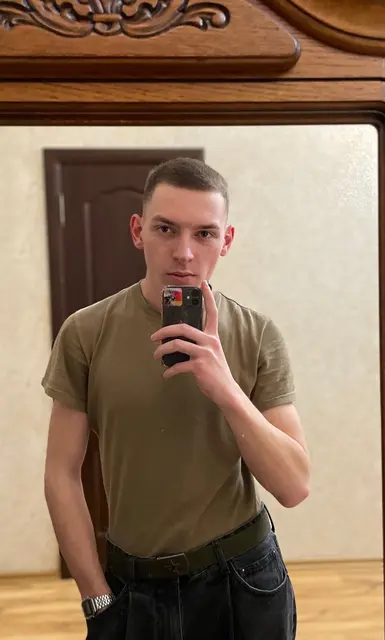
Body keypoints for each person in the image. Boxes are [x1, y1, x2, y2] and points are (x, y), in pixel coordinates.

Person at [42, 157, 311, 640]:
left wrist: (225, 388)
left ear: (226, 241)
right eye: (166, 229)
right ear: (137, 230)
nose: (184, 253)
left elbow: (293, 487)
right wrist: (95, 595)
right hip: (132, 586)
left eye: (205, 233)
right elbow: (61, 473)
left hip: (242, 580)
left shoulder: (257, 334)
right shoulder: (85, 332)